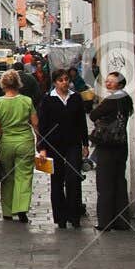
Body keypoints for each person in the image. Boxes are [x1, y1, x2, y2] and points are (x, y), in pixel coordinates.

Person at [37, 68, 90, 229]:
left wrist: (85, 143)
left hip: (73, 143)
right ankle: (60, 217)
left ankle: (74, 215)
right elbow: (42, 125)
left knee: (74, 178)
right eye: (60, 80)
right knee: (57, 180)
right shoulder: (48, 100)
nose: (64, 83)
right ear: (55, 82)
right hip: (54, 145)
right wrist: (42, 147)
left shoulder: (76, 98)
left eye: (66, 79)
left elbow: (82, 122)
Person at [0, 69, 39, 222]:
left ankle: (8, 210)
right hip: (25, 142)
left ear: (3, 84)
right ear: (18, 83)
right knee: (24, 176)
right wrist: (40, 141)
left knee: (7, 176)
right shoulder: (27, 101)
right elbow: (35, 123)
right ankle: (21, 208)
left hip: (6, 143)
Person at [90, 71, 134, 232]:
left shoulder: (111, 100)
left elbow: (93, 115)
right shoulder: (126, 99)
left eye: (112, 81)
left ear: (120, 84)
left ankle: (105, 221)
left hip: (107, 146)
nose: (108, 83)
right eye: (107, 81)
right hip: (121, 146)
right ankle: (121, 221)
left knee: (105, 184)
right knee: (119, 182)